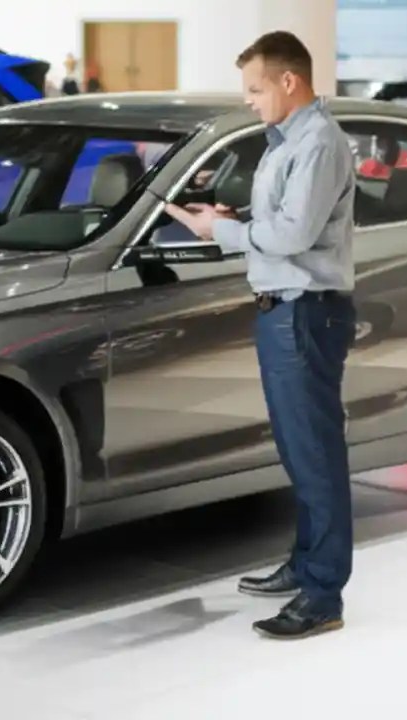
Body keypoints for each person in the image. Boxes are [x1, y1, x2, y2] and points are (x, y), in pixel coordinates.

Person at [163, 30, 357, 640]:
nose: (248, 99)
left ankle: (323, 592)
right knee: (300, 451)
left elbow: (294, 235)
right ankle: (305, 564)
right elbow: (281, 221)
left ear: (289, 82)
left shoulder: (319, 142)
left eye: (254, 88)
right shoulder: (286, 144)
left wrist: (221, 235)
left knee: (317, 455)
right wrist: (233, 220)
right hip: (283, 308)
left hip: (307, 310)